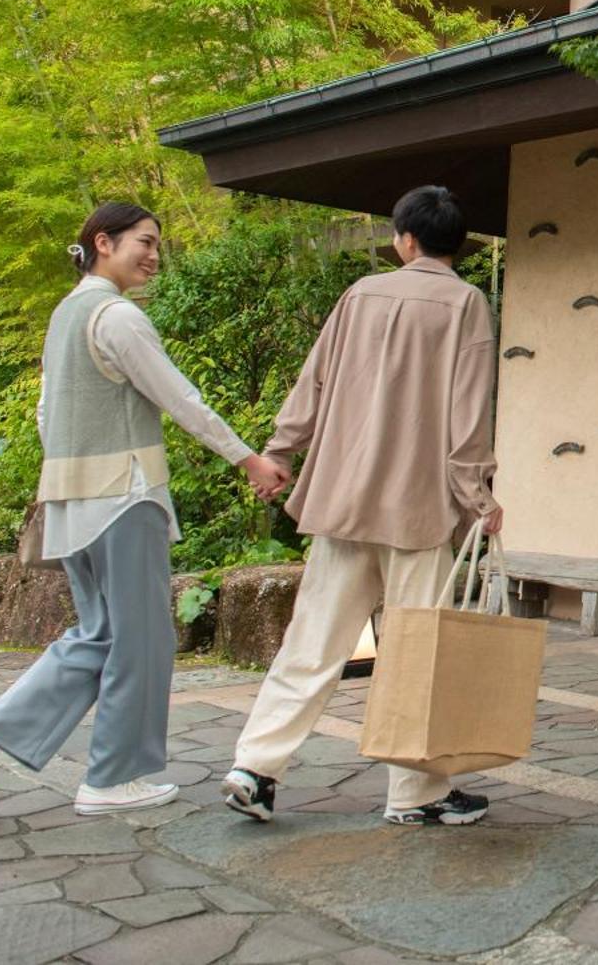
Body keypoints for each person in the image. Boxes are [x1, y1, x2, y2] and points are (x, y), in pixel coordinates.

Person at [0, 204, 288, 818]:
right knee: (142, 641)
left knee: (100, 635)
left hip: (70, 500)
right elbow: (179, 397)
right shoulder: (117, 317)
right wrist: (247, 458)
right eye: (144, 242)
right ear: (104, 242)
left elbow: (47, 416)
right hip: (125, 497)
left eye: (157, 244)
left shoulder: (66, 314)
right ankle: (113, 778)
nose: (154, 255)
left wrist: (69, 473)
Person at [222, 184, 502, 827]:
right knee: (416, 652)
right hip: (418, 508)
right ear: (456, 245)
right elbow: (468, 420)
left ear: (404, 239)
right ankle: (416, 796)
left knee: (313, 640)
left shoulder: (358, 296)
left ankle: (256, 769)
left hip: (343, 499)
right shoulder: (465, 304)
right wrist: (479, 499)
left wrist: (281, 452)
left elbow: (312, 382)